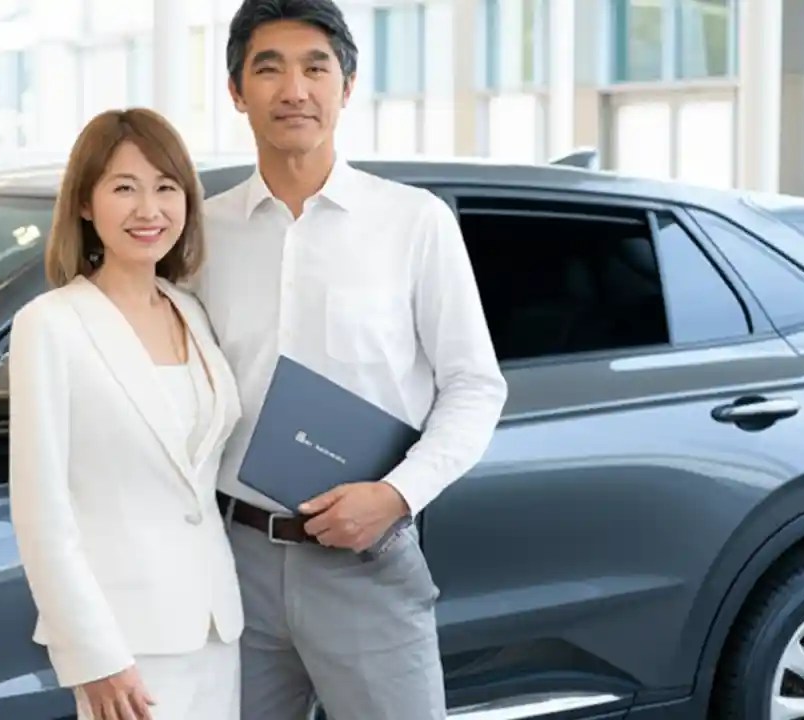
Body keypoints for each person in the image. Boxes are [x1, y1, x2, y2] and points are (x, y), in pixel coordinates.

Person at [192, 1, 510, 719]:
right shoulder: (201, 233)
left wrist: (397, 496)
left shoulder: (413, 221)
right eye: (267, 68)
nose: (293, 89)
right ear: (237, 91)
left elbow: (474, 386)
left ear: (347, 84)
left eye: (315, 67)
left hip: (367, 560)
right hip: (229, 564)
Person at [8, 107, 245, 720]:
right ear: (85, 204)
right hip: (126, 643)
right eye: (124, 188)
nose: (150, 210)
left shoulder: (189, 310)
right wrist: (95, 655)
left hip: (215, 626)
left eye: (166, 188)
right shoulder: (50, 324)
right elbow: (42, 515)